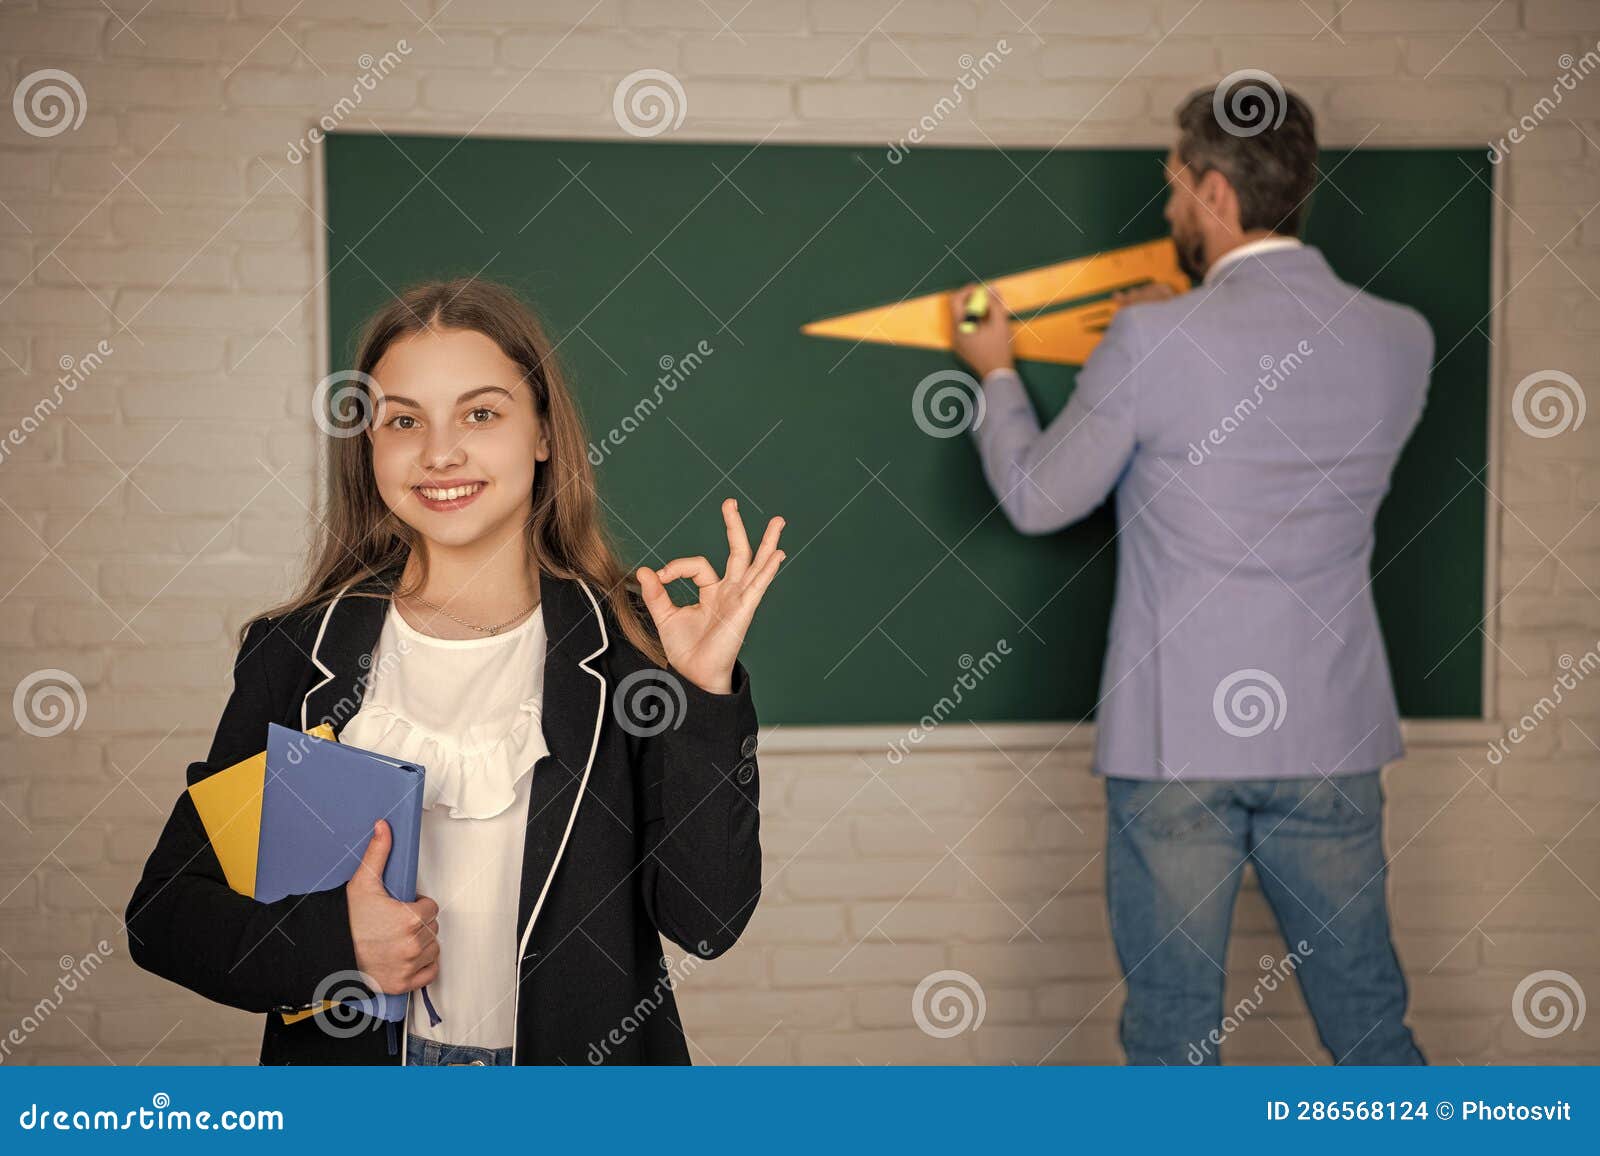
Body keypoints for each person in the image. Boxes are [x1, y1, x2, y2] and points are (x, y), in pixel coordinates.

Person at [126, 278, 784, 1065]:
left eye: (481, 414)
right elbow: (164, 916)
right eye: (404, 420)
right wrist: (337, 945)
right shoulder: (297, 650)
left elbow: (707, 921)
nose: (440, 453)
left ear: (543, 434)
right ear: (369, 445)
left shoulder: (629, 650)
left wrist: (704, 695)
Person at [950, 80, 1429, 1065]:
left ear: (1214, 192)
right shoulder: (1401, 338)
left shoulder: (1152, 340)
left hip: (1177, 742)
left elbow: (1039, 497)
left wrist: (994, 371)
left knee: (1173, 1037)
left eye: (1174, 184)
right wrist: (1173, 336)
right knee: (1371, 1027)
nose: (1168, 207)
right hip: (1332, 733)